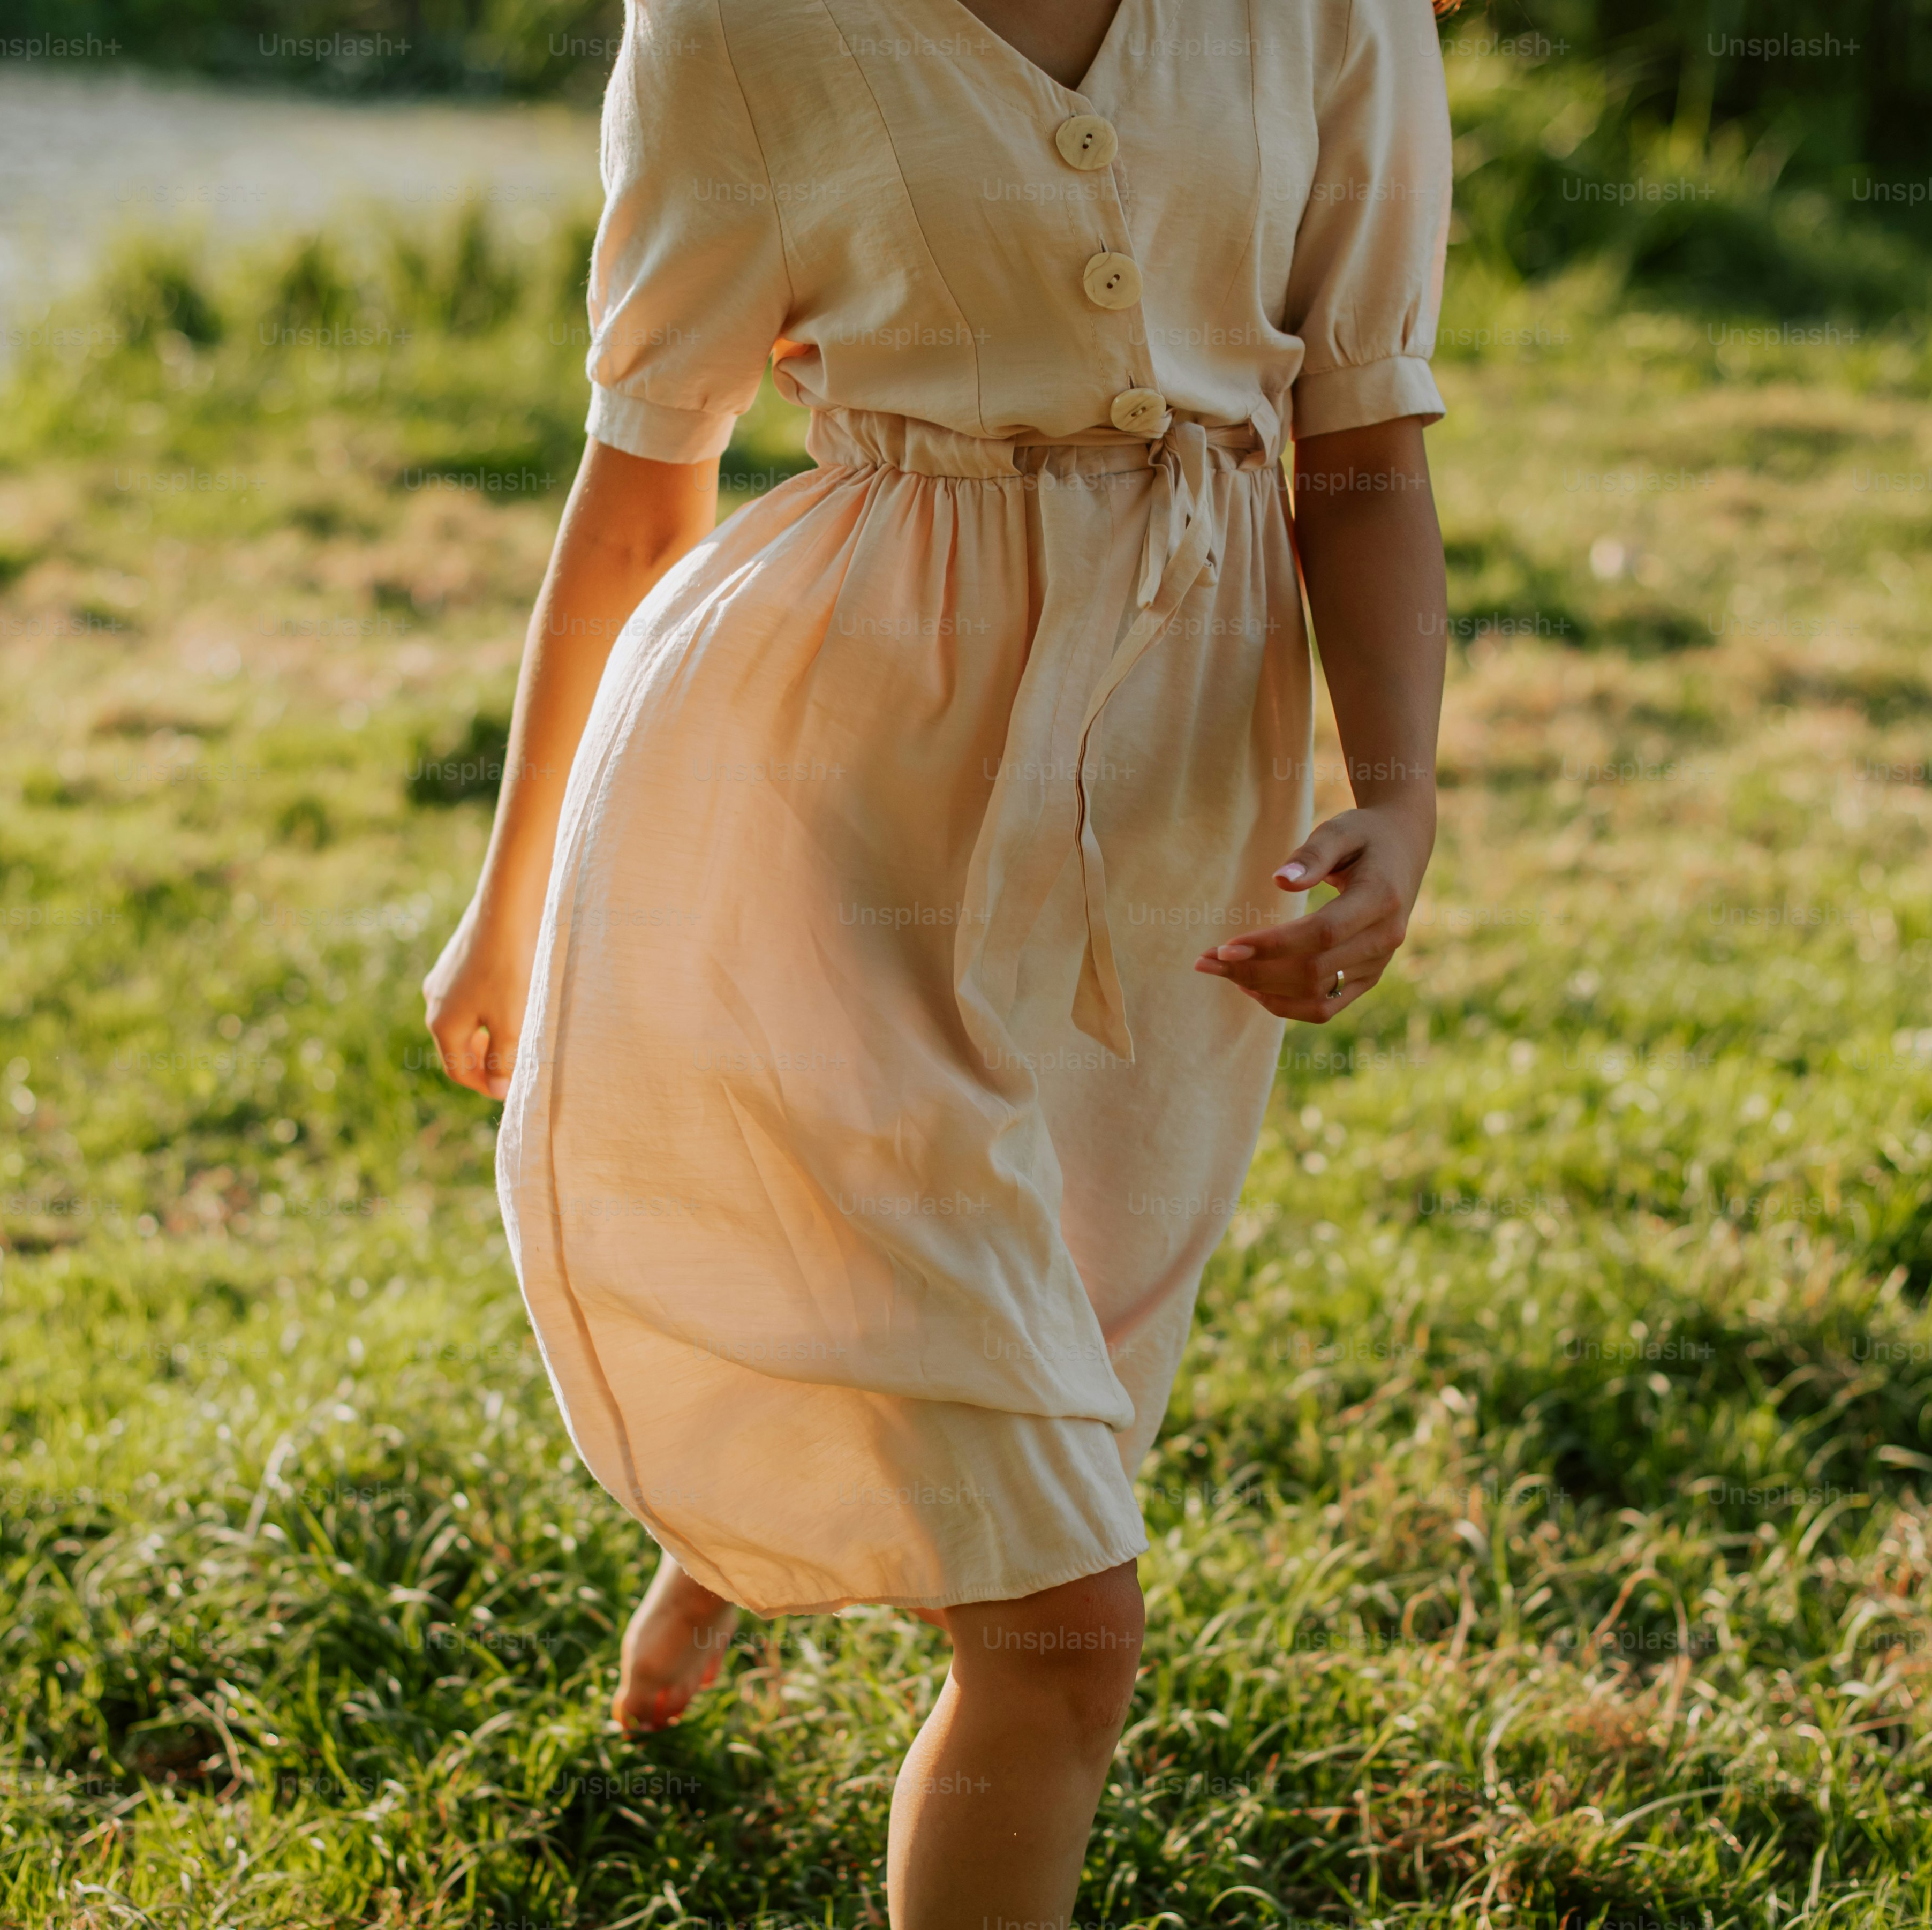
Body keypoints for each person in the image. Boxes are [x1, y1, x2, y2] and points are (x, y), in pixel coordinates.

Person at [424, 0, 1453, 1919]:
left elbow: (1367, 438)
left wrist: (1395, 796)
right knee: (1063, 1638)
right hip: (833, 800)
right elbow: (649, 481)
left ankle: (744, 1529)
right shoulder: (743, 27)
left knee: (1051, 1287)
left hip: (1166, 822)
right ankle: (797, 1516)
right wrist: (514, 895)